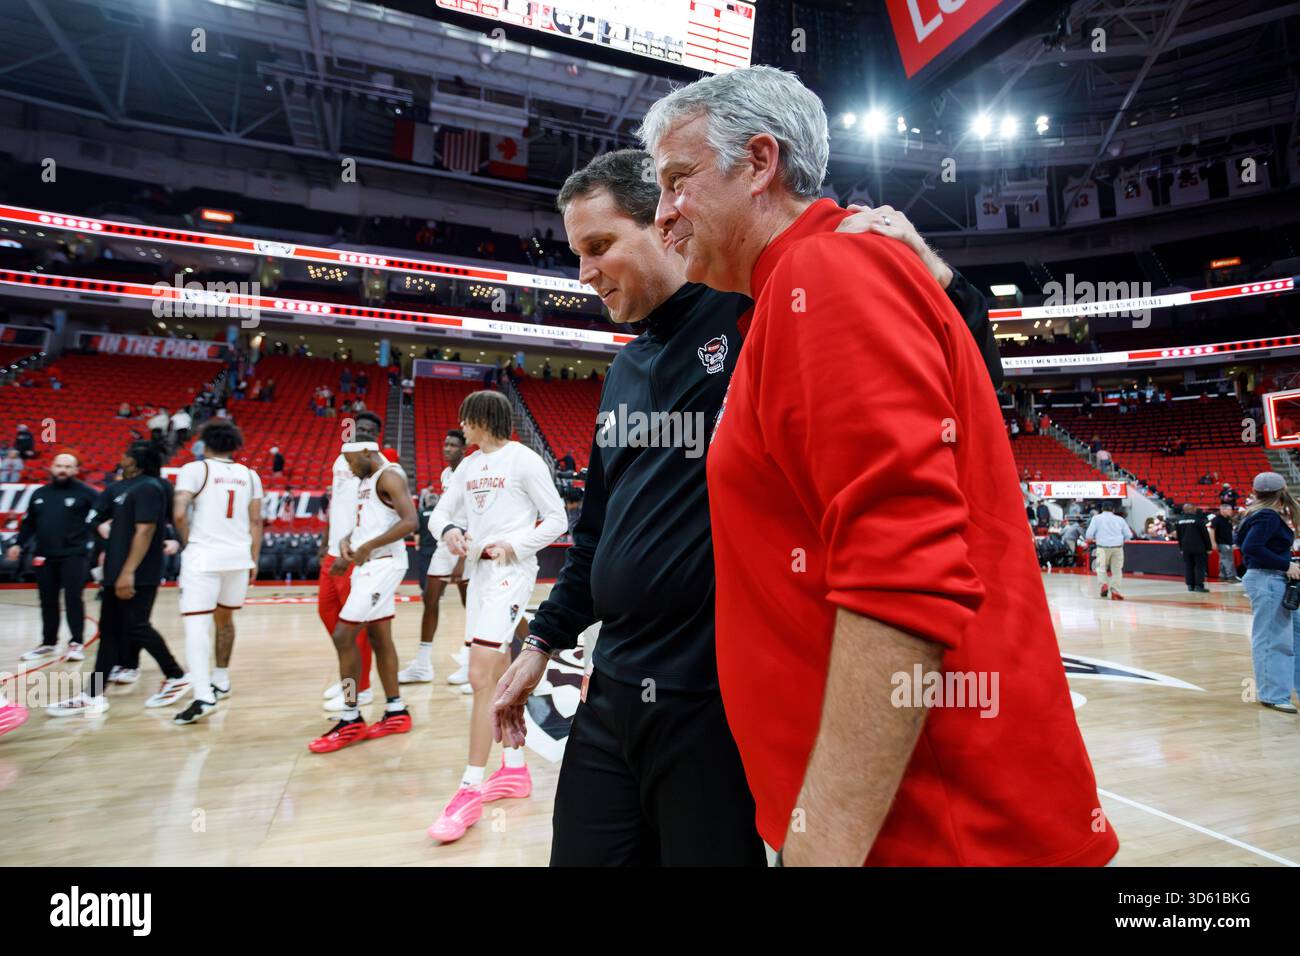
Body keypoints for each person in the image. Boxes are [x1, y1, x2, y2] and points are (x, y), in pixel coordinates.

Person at [635, 65, 1117, 865]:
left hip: (932, 833)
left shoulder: (827, 272)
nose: (663, 214)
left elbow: (903, 580)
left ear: (760, 164)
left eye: (678, 182)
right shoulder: (796, 287)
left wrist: (820, 848)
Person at [490, 147, 1003, 865]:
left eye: (600, 246)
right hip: (610, 692)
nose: (584, 274)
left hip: (713, 705)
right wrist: (541, 643)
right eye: (577, 253)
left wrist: (939, 278)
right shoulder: (625, 370)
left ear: (663, 225)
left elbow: (968, 369)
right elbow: (597, 537)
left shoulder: (757, 314)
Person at [425, 390, 566, 843]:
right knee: (497, 669)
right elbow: (441, 513)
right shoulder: (467, 467)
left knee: (480, 674)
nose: (461, 426)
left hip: (509, 573)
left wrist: (515, 545)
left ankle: (468, 788)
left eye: (466, 419)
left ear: (483, 418)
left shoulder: (524, 460)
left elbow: (556, 519)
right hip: (477, 575)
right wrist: (449, 531)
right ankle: (514, 768)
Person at [47, 442, 190, 717]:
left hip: (137, 572)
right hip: (115, 569)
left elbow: (145, 530)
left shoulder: (151, 486)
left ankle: (176, 675)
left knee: (136, 626)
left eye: (126, 453)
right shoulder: (117, 488)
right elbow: (96, 517)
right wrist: (101, 526)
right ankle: (92, 695)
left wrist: (128, 572)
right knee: (110, 632)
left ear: (136, 460)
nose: (120, 456)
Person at [308, 438, 417, 753]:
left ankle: (351, 718)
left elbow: (410, 521)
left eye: (352, 461)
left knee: (344, 636)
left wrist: (366, 548)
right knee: (380, 638)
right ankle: (396, 711)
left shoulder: (390, 475)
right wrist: (347, 540)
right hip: (370, 564)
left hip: (383, 566)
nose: (349, 467)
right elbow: (369, 523)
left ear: (368, 453)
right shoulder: (367, 479)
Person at [171, 421, 264, 724]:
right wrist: (254, 559)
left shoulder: (194, 470)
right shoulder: (250, 476)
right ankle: (221, 678)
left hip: (203, 557)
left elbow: (179, 512)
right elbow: (256, 522)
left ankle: (202, 695)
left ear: (204, 443)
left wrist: (188, 543)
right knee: (225, 619)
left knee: (197, 625)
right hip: (238, 558)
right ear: (235, 445)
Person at [317, 412, 385, 712]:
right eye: (362, 428)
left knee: (353, 627)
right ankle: (350, 674)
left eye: (371, 429)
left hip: (354, 555)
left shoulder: (379, 463)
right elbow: (337, 503)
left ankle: (363, 687)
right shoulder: (340, 460)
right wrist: (325, 541)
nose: (365, 432)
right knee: (328, 615)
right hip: (333, 550)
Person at [399, 429, 473, 688]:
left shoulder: (471, 471)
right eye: (445, 444)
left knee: (470, 605)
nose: (447, 448)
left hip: (467, 543)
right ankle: (422, 663)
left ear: (464, 449)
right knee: (430, 598)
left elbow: (475, 515)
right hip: (445, 544)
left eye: (453, 445)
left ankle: (470, 663)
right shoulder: (445, 474)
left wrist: (464, 558)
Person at [10, 451, 97, 661]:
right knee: (47, 600)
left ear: (76, 470)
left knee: (73, 598)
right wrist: (18, 544)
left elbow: (100, 520)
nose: (62, 470)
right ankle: (48, 642)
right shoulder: (39, 493)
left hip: (74, 555)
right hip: (44, 555)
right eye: (59, 466)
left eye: (68, 467)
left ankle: (76, 642)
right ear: (51, 467)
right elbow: (29, 523)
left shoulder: (88, 493)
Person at [1236, 472, 1300, 713]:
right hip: (1267, 578)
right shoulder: (1267, 516)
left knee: (1294, 636)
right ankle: (1273, 695)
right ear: (1282, 490)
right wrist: (1286, 565)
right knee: (1273, 639)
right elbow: (1251, 547)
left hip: (1271, 578)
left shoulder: (1255, 514)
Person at [1085, 502, 1133, 600]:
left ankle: (1104, 584)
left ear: (1102, 509)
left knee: (1101, 568)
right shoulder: (1120, 519)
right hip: (1117, 548)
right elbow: (1129, 535)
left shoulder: (1096, 519)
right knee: (1117, 570)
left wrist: (1093, 538)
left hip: (1102, 547)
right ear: (1113, 510)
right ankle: (1114, 590)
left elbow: (1089, 535)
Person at [1173, 502, 1212, 593]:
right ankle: (1199, 585)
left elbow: (1179, 536)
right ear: (1192, 509)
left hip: (1185, 547)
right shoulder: (1198, 520)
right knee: (1200, 566)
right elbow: (1205, 535)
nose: (1195, 509)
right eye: (1194, 508)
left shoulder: (1179, 520)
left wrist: (1181, 548)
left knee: (1188, 566)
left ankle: (1190, 585)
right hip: (1198, 547)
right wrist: (1208, 548)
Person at [1209, 503, 1238, 582]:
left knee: (1223, 560)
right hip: (1222, 542)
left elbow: (1230, 532)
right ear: (1222, 510)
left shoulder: (1228, 519)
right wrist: (1213, 542)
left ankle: (1222, 576)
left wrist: (1233, 542)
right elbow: (1212, 531)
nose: (1231, 511)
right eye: (1229, 510)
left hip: (1228, 542)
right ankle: (1231, 576)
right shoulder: (1216, 519)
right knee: (1229, 560)